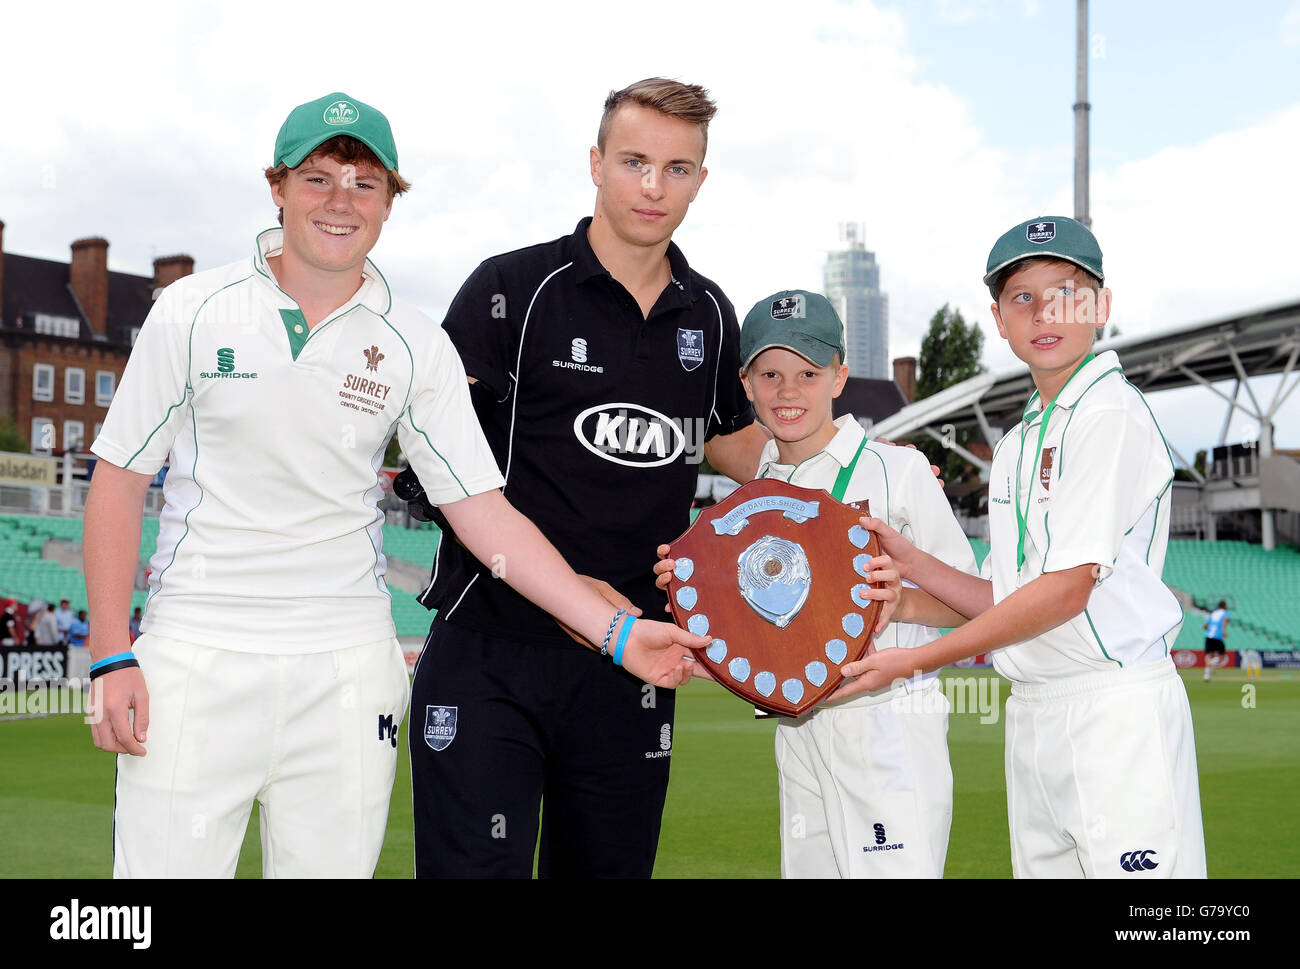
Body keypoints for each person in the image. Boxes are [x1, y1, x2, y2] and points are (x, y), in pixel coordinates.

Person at [83, 90, 704, 879]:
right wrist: (110, 653)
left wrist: (615, 633)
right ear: (277, 187)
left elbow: (483, 512)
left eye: (365, 184)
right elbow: (120, 476)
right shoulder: (191, 311)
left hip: (346, 669)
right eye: (319, 178)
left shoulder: (414, 343)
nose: (341, 202)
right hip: (197, 656)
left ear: (388, 202)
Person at [405, 78, 771, 878]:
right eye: (635, 161)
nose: (653, 186)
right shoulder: (509, 290)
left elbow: (745, 452)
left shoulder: (709, 315)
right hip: (490, 648)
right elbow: (434, 467)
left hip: (633, 662)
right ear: (596, 163)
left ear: (700, 182)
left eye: (678, 168)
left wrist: (853, 454)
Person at [841, 217, 1207, 878]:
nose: (1045, 313)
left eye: (1067, 292)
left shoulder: (1109, 414)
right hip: (1034, 713)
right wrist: (909, 575)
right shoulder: (1015, 442)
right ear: (999, 319)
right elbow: (1003, 601)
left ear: (1102, 306)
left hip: (1114, 711)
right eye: (1023, 298)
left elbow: (1065, 591)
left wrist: (917, 661)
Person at [656, 290, 977, 877]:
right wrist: (691, 589)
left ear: (840, 376)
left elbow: (974, 605)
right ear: (746, 383)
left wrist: (900, 600)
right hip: (797, 725)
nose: (787, 391)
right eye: (769, 374)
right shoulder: (753, 492)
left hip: (888, 724)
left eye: (808, 373)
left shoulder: (898, 469)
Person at [1202, 599, 1229, 681]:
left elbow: (1205, 626)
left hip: (1208, 636)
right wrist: (1224, 632)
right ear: (1224, 606)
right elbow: (1224, 623)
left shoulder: (1213, 613)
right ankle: (1213, 662)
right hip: (1218, 636)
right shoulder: (1225, 613)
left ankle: (1207, 675)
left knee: (1210, 656)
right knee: (1222, 656)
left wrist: (1208, 629)